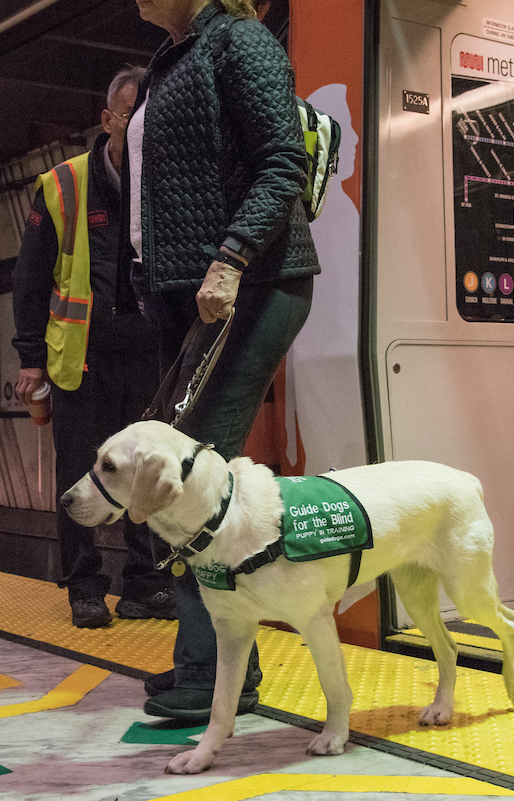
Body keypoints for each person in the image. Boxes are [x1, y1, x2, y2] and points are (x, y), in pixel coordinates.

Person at [124, 0, 319, 721]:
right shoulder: (170, 60)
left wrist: (232, 257)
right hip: (193, 296)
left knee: (190, 479)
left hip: (252, 284)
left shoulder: (240, 42)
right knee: (185, 470)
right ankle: (205, 659)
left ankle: (212, 674)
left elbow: (282, 161)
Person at [13, 66, 175, 629]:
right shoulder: (63, 185)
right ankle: (84, 586)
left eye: (148, 119)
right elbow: (30, 280)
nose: (138, 130)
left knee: (148, 469)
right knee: (78, 472)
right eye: (129, 116)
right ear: (107, 120)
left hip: (149, 356)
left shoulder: (166, 183)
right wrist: (30, 356)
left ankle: (145, 583)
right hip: (81, 356)